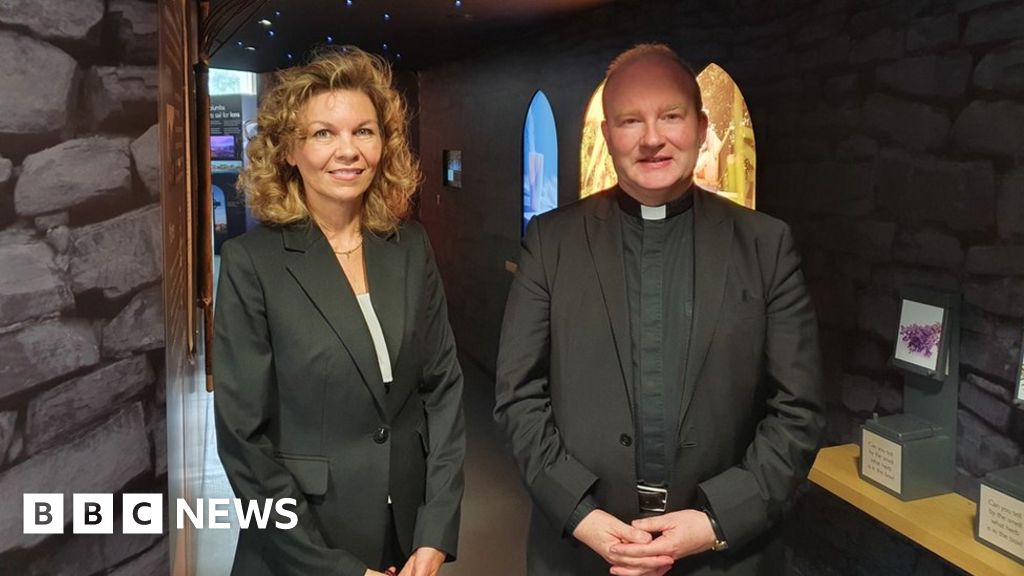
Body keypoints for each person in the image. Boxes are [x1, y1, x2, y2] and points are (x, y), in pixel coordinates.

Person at [495, 43, 824, 576]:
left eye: (669, 116)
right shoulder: (551, 243)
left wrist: (717, 520)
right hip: (580, 553)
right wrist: (581, 513)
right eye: (630, 120)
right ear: (607, 135)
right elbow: (518, 397)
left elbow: (798, 410)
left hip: (726, 557)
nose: (652, 139)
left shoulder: (765, 246)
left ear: (699, 125)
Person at [214, 47, 464, 576]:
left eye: (364, 131)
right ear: (288, 149)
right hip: (300, 549)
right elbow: (244, 439)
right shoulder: (251, 263)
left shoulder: (410, 247)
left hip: (407, 540)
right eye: (324, 133)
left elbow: (441, 391)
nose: (348, 151)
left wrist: (435, 530)